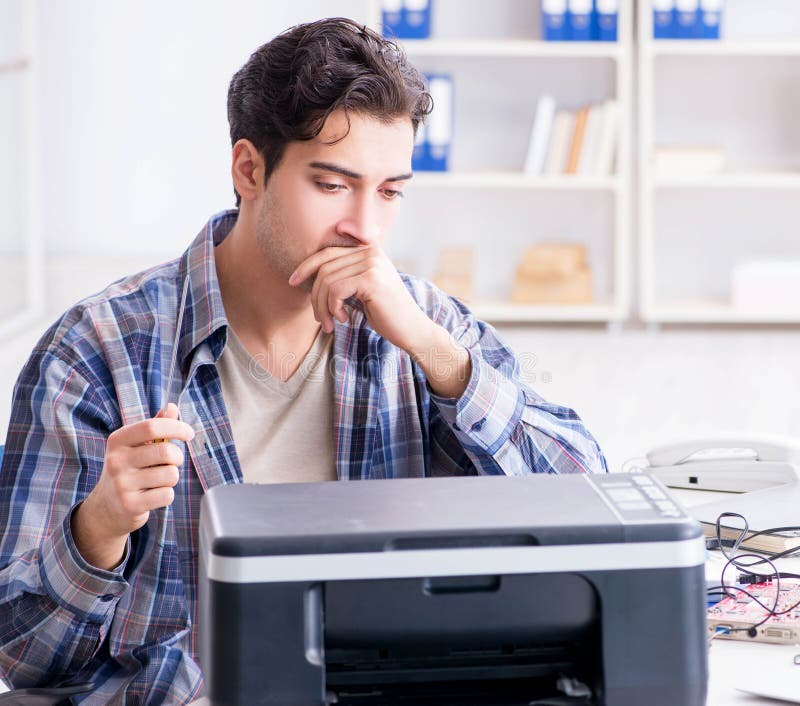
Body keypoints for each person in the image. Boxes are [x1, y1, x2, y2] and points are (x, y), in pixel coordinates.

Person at [0, 17, 607, 705]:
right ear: (249, 170)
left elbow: (592, 502)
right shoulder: (97, 348)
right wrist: (99, 526)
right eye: (333, 184)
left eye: (389, 191)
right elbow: (27, 660)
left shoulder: (423, 325)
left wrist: (438, 354)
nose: (365, 229)